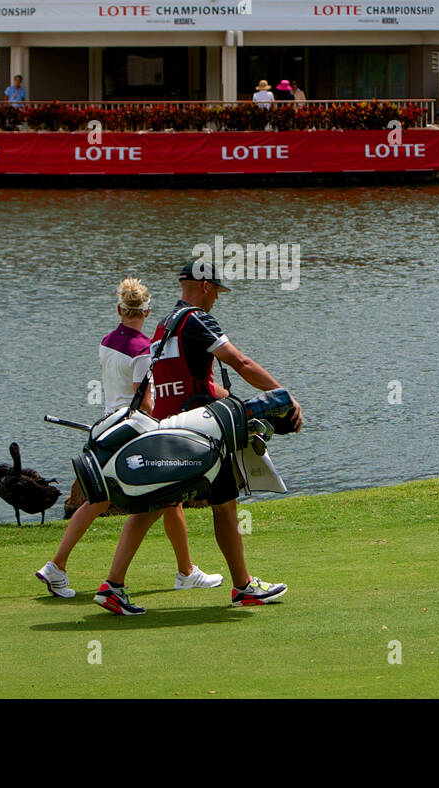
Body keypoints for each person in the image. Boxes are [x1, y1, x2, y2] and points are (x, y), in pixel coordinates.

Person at [94, 261, 303, 616]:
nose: (217, 299)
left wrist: (229, 401)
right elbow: (241, 362)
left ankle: (238, 585)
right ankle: (241, 587)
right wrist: (283, 394)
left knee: (169, 501)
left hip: (171, 426)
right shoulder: (198, 319)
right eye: (217, 292)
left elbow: (189, 381)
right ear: (205, 286)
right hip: (202, 432)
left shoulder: (164, 325)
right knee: (216, 504)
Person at [36, 278, 222, 599]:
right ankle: (178, 573)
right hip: (132, 435)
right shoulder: (143, 350)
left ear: (119, 309)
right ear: (147, 310)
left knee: (150, 500)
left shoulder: (107, 341)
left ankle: (184, 570)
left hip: (109, 429)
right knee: (162, 497)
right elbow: (145, 401)